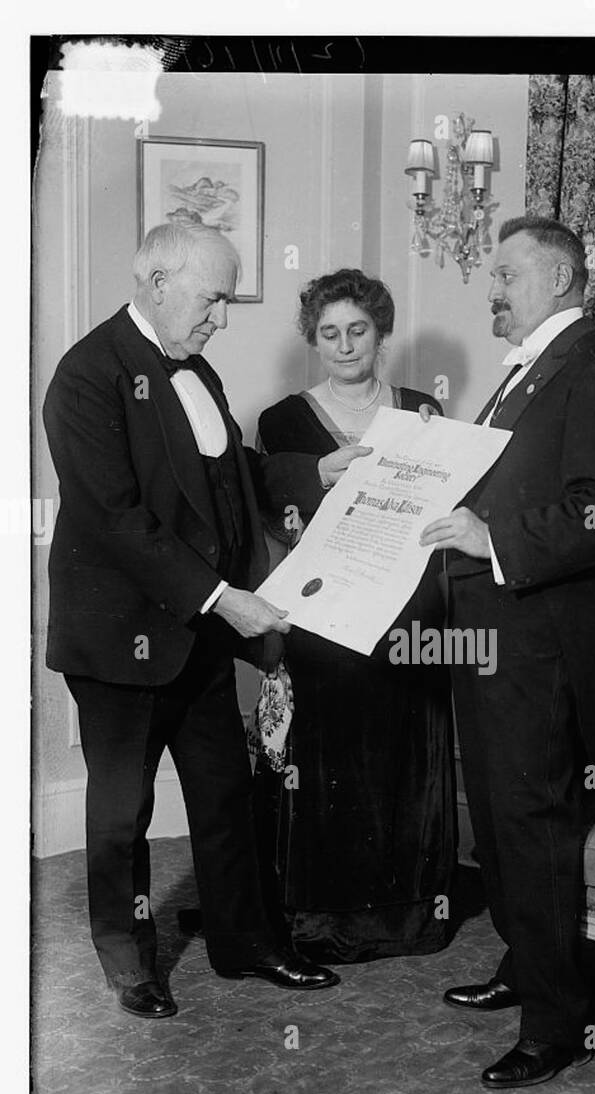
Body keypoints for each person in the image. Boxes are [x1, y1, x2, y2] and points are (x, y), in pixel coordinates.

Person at [43, 222, 340, 1019]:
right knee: (120, 812)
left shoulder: (194, 370)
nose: (222, 316)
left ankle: (247, 945)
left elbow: (229, 473)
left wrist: (315, 470)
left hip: (197, 633)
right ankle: (128, 962)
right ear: (158, 282)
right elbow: (114, 519)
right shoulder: (86, 376)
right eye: (214, 297)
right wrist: (222, 598)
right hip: (119, 638)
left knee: (222, 796)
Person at [420, 214, 595, 1089]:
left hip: (543, 648)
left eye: (507, 275)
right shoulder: (525, 373)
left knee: (534, 825)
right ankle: (525, 966)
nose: (493, 290)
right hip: (494, 640)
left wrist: (492, 536)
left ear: (558, 279)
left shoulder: (594, 369)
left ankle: (557, 1023)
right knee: (499, 813)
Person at [251, 268, 456, 963]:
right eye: (330, 333)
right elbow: (276, 519)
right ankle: (324, 921)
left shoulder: (423, 409)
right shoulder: (282, 420)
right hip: (325, 616)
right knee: (329, 760)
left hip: (409, 609)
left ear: (381, 333)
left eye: (358, 331)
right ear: (313, 339)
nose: (345, 346)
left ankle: (409, 918)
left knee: (408, 759)